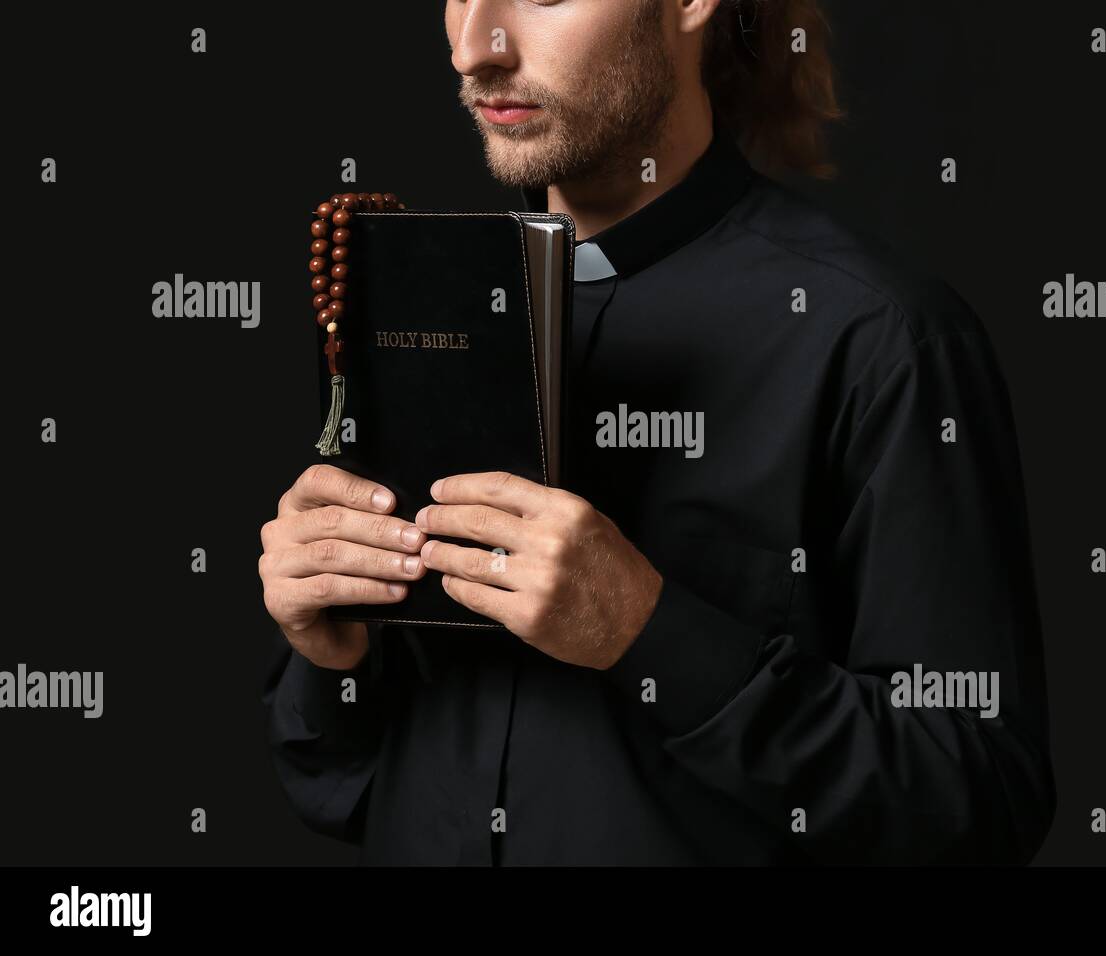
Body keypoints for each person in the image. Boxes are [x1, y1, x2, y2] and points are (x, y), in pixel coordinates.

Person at [258, 0, 1056, 864]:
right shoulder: (413, 298)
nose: (471, 47)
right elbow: (339, 787)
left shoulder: (878, 337)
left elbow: (982, 801)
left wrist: (650, 635)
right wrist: (329, 658)